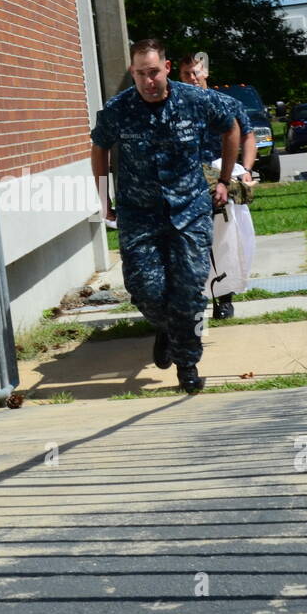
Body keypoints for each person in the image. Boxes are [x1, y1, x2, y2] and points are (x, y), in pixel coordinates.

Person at [91, 39, 239, 393]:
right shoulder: (118, 109)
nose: (148, 80)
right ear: (133, 72)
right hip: (139, 214)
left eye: (154, 72)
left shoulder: (195, 99)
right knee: (145, 289)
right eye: (140, 73)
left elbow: (231, 127)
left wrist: (224, 180)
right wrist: (102, 198)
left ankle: (187, 365)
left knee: (189, 293)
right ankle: (169, 328)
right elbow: (99, 146)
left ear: (167, 68)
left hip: (189, 211)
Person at [178, 52, 258, 320]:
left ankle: (224, 297)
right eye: (186, 73)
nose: (192, 77)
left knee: (224, 237)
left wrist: (245, 170)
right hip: (185, 180)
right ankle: (193, 298)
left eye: (196, 72)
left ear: (206, 73)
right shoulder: (173, 106)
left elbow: (247, 136)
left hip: (220, 177)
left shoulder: (227, 103)